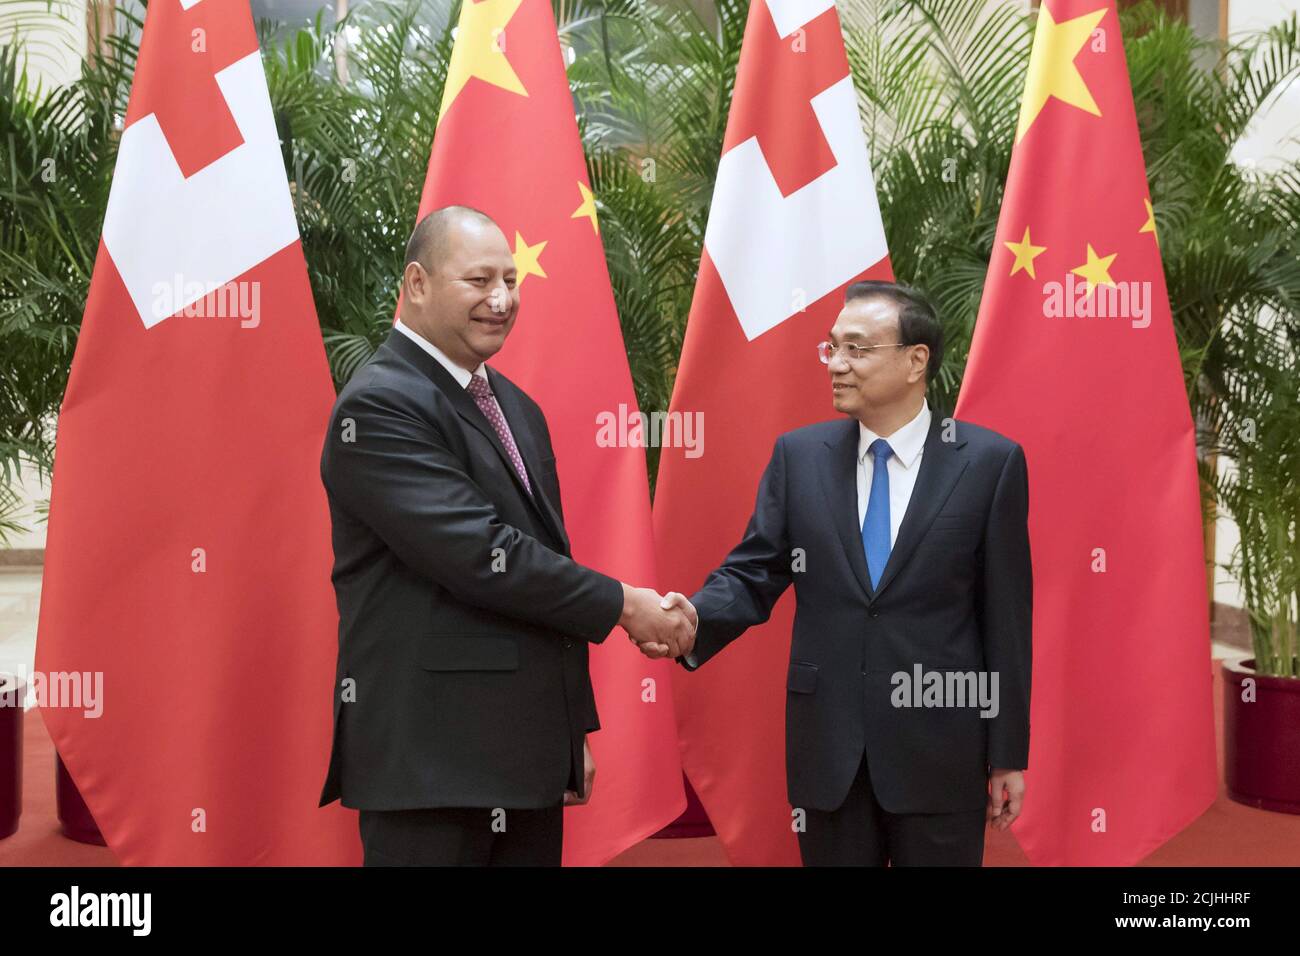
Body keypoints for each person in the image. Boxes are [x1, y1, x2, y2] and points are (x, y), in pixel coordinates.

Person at [317, 205, 693, 866]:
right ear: (417, 284)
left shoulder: (513, 405)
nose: (501, 299)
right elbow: (483, 556)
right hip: (432, 766)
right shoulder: (381, 405)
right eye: (479, 281)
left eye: (511, 281)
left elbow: (545, 561)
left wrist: (567, 727)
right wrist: (627, 604)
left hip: (523, 761)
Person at [657, 281, 1032, 866]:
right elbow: (754, 572)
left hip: (941, 748)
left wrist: (1008, 754)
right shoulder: (800, 457)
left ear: (915, 361)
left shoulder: (988, 463)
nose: (836, 364)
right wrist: (692, 618)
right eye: (830, 348)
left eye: (856, 349)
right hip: (829, 747)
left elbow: (1006, 619)